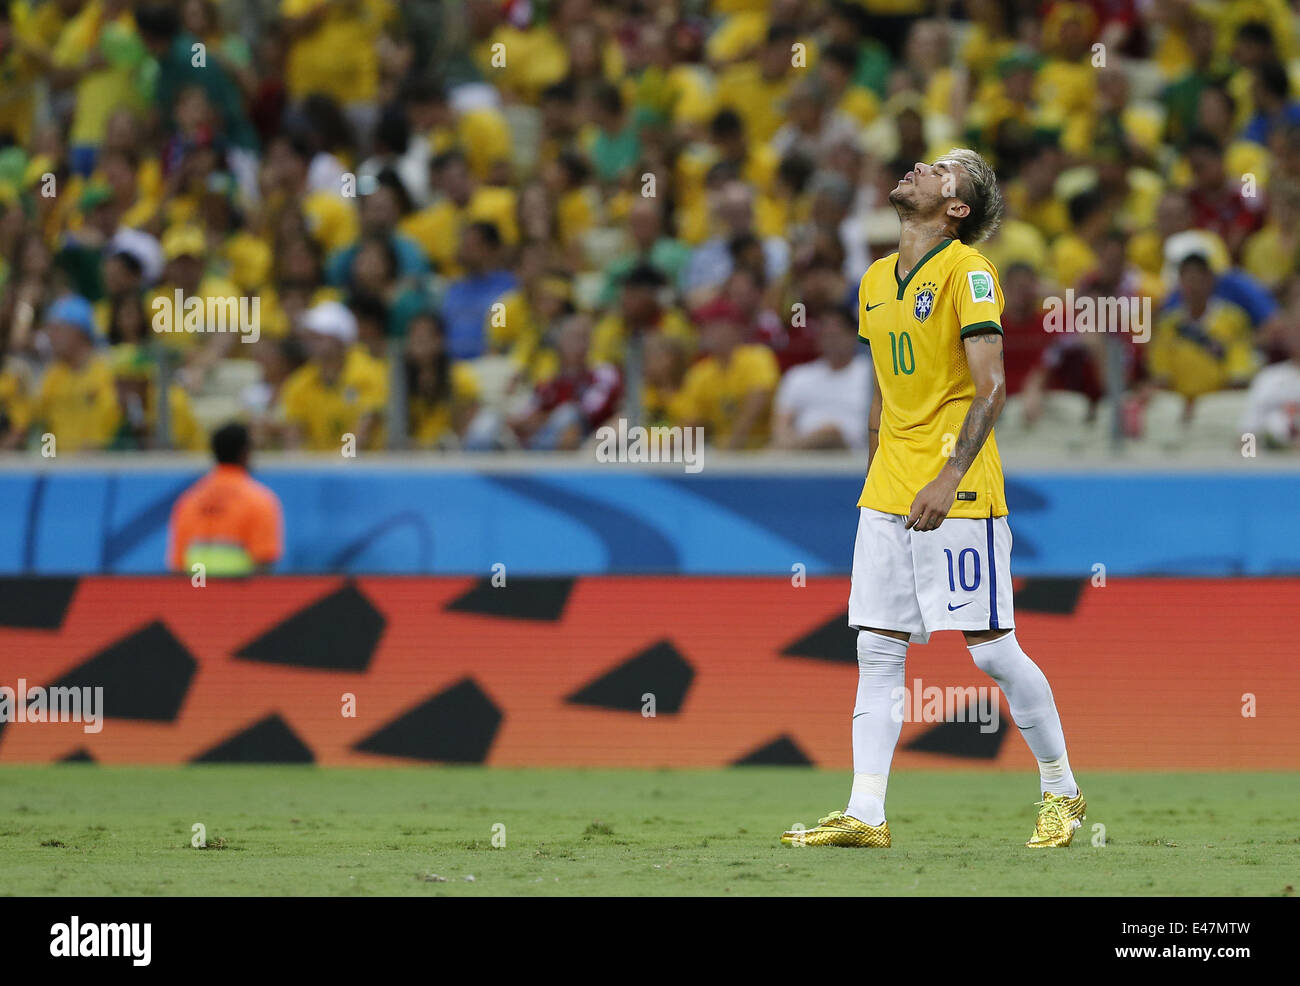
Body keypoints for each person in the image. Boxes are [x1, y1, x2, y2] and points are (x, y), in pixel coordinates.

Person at [782, 149, 1084, 850]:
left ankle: (1061, 791)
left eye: (945, 170)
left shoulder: (967, 272)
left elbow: (993, 386)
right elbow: (885, 394)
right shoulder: (874, 282)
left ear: (957, 209)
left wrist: (948, 477)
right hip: (888, 487)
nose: (922, 165)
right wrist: (873, 478)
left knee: (990, 648)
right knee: (878, 648)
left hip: (961, 486)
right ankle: (867, 813)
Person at [167, 421, 283, 576]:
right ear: (245, 453)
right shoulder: (260, 501)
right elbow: (264, 563)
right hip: (240, 597)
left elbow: (179, 566)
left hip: (196, 594)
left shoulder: (189, 500)